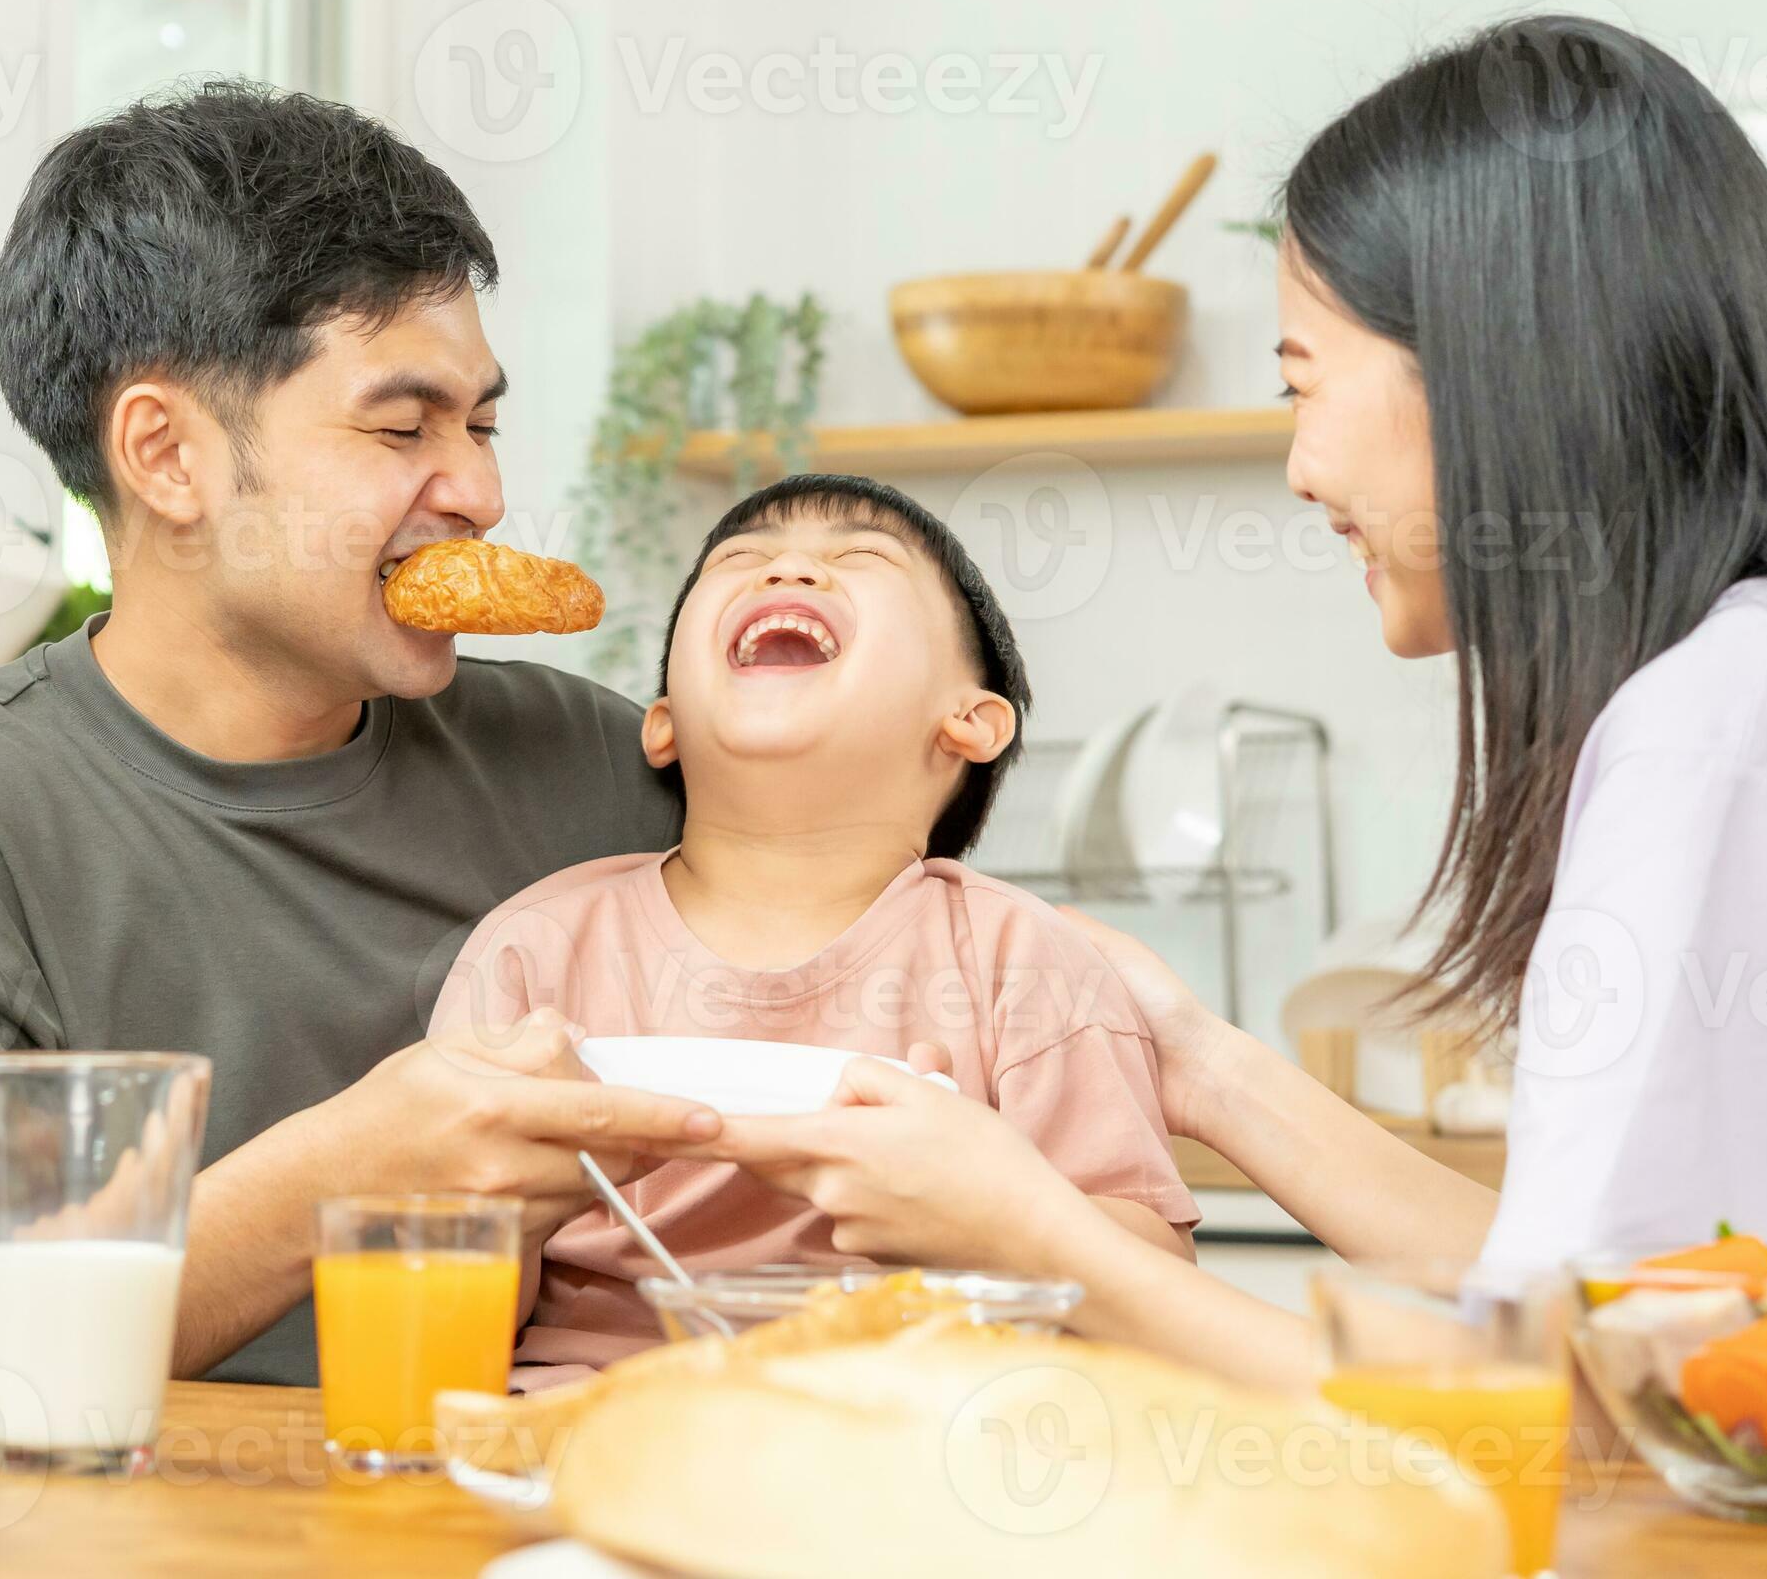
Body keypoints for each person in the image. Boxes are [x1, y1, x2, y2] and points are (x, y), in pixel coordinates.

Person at [678, 17, 1767, 1389]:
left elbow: (1574, 1408)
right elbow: (1593, 1296)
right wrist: (1201, 1063)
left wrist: (1030, 1234)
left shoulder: (1721, 733)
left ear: (1492, 369)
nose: (1300, 469)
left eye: (1304, 385)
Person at [0, 81, 720, 1387]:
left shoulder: (603, 771)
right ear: (166, 456)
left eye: (483, 424)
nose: (484, 493)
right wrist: (347, 1174)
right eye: (403, 427)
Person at [431, 475, 1195, 1381]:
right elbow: (436, 1310)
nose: (787, 568)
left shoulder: (1027, 965)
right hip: (581, 1424)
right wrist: (506, 1205)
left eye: (860, 556)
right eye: (740, 559)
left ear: (969, 721)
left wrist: (984, 1219)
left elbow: (1157, 1297)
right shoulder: (533, 950)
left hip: (917, 1430)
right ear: (662, 725)